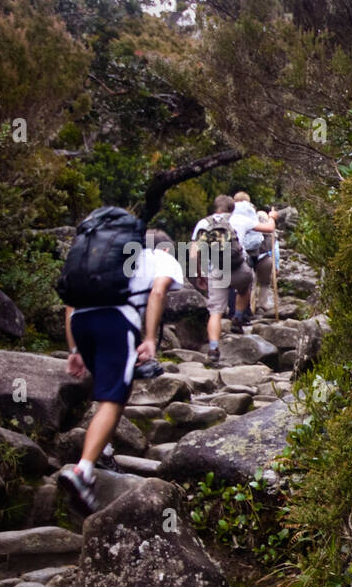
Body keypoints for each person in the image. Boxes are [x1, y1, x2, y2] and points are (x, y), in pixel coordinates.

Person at [59, 227, 184, 515]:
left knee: (109, 386)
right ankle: (84, 470)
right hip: (114, 321)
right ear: (165, 248)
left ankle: (103, 449)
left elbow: (70, 301)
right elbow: (157, 291)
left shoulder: (100, 259)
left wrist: (74, 349)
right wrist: (150, 339)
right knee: (114, 399)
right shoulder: (162, 258)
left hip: (81, 321)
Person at [189, 194, 253, 365]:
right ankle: (238, 318)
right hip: (240, 269)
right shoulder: (238, 221)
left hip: (217, 270)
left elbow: (194, 253)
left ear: (215, 207)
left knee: (215, 312)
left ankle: (213, 349)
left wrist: (199, 274)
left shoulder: (203, 223)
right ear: (232, 209)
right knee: (245, 289)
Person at [231, 191, 276, 325]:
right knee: (247, 284)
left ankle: (232, 313)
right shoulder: (249, 215)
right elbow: (269, 229)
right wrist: (272, 217)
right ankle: (245, 313)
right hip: (251, 254)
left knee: (231, 285)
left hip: (228, 252)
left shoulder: (229, 214)